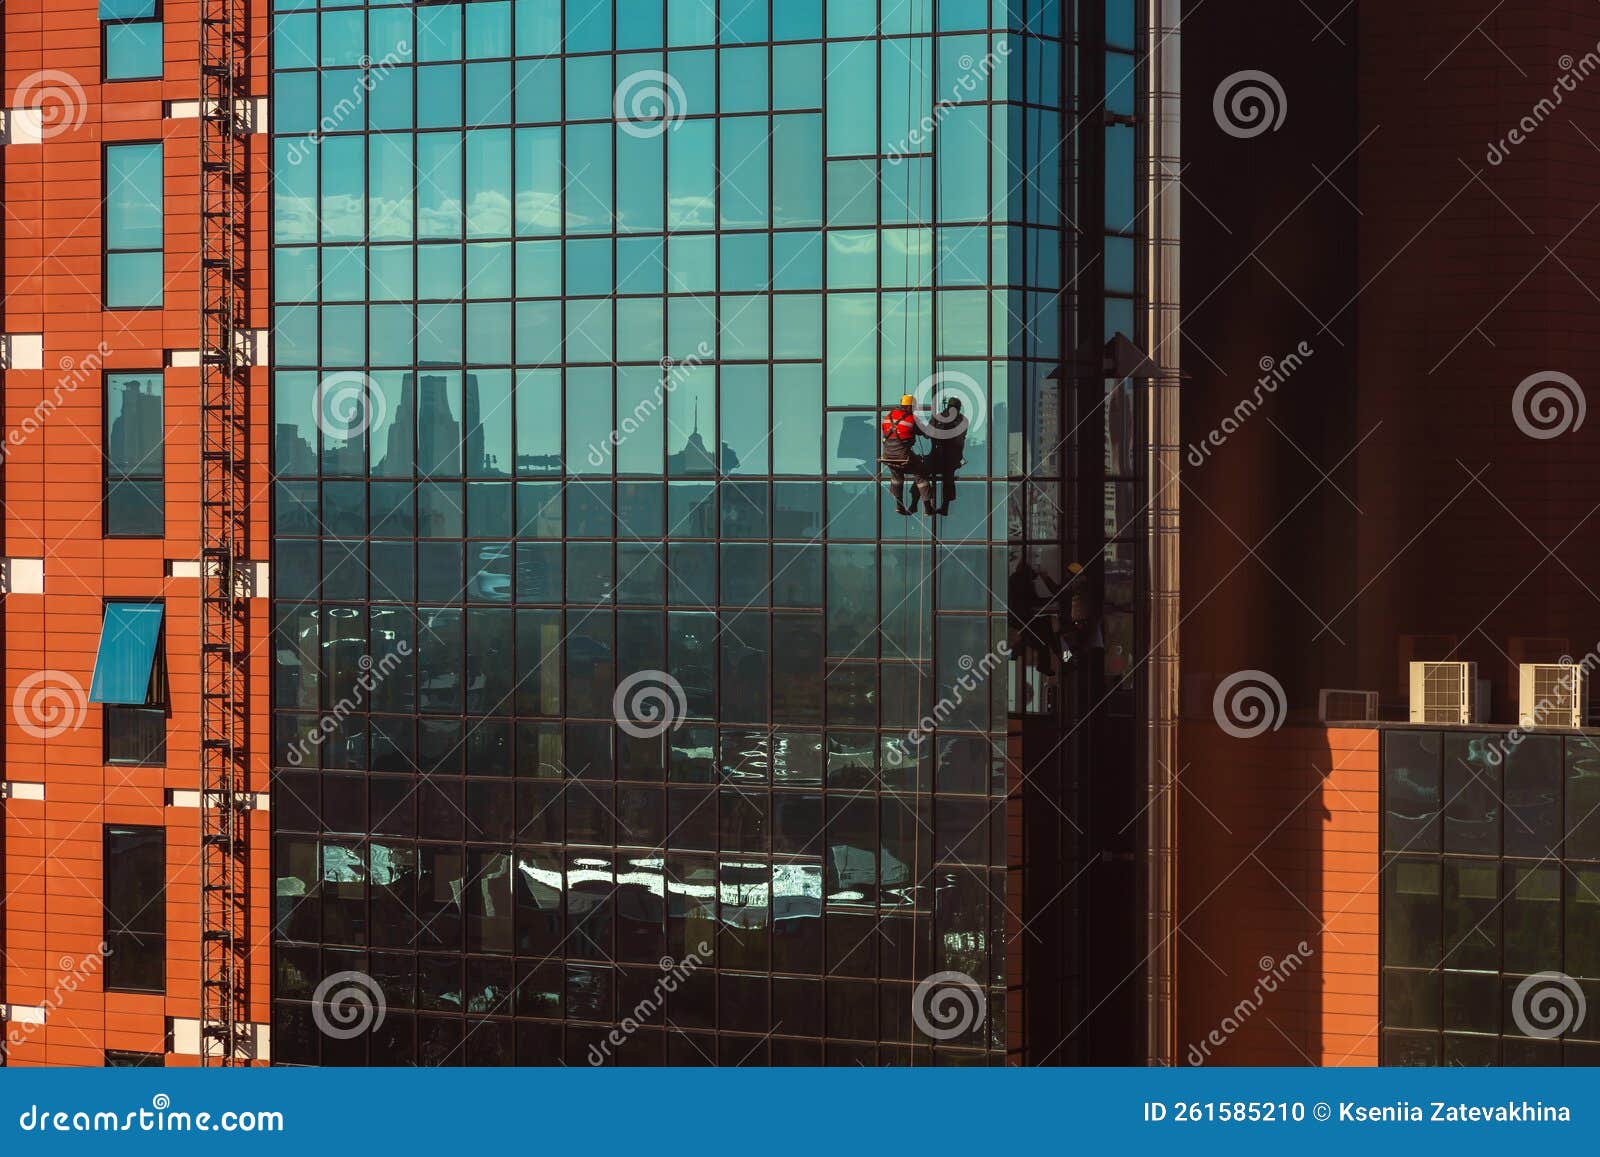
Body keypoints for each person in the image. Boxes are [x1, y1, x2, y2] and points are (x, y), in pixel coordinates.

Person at [881, 394, 931, 516]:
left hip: (888, 455)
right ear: (909, 406)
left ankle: (899, 505)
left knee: (897, 477)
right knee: (921, 473)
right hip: (903, 455)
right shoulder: (911, 418)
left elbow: (888, 432)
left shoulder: (888, 416)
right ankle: (928, 507)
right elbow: (925, 433)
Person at [923, 397, 968, 516]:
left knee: (926, 474)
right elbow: (928, 434)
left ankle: (937, 506)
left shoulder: (960, 420)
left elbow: (957, 439)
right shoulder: (959, 419)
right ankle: (934, 506)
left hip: (947, 456)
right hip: (943, 455)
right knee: (945, 478)